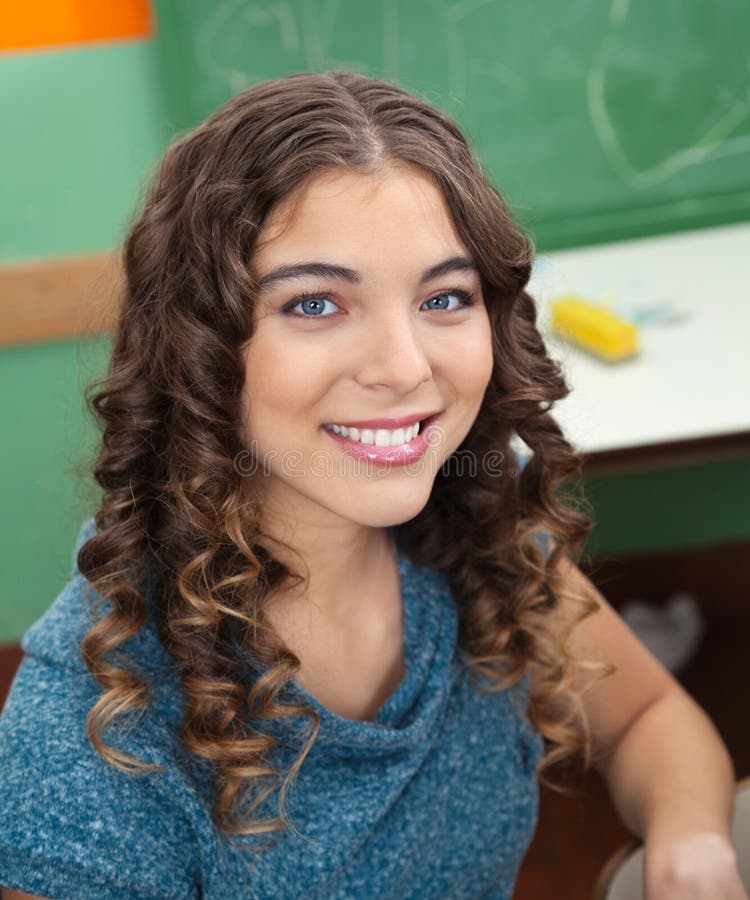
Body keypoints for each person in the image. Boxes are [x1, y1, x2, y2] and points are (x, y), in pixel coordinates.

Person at [0, 70, 745, 900]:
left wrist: (693, 840)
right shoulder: (88, 737)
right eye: (316, 304)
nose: (404, 367)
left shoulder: (478, 537)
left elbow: (649, 720)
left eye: (445, 296)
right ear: (198, 345)